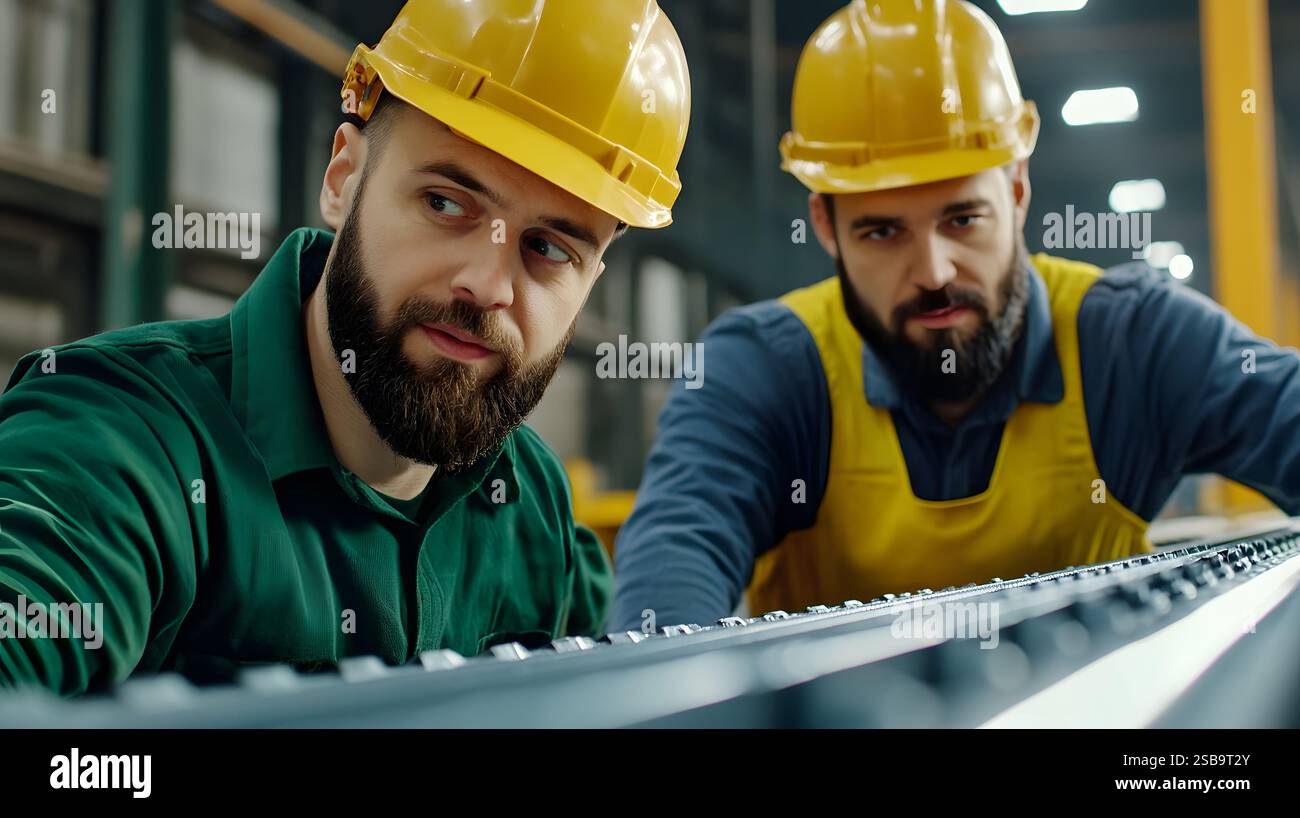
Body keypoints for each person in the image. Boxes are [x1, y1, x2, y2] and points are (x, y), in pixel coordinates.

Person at [0, 0, 691, 694]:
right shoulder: (121, 446)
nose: (486, 285)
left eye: (547, 248)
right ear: (342, 179)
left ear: (590, 282)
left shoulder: (532, 504)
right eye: (447, 203)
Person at [611, 0, 1300, 631]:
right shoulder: (762, 369)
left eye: (963, 218)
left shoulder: (1133, 343)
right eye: (883, 233)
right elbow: (674, 561)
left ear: (1019, 191)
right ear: (826, 225)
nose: (935, 273)